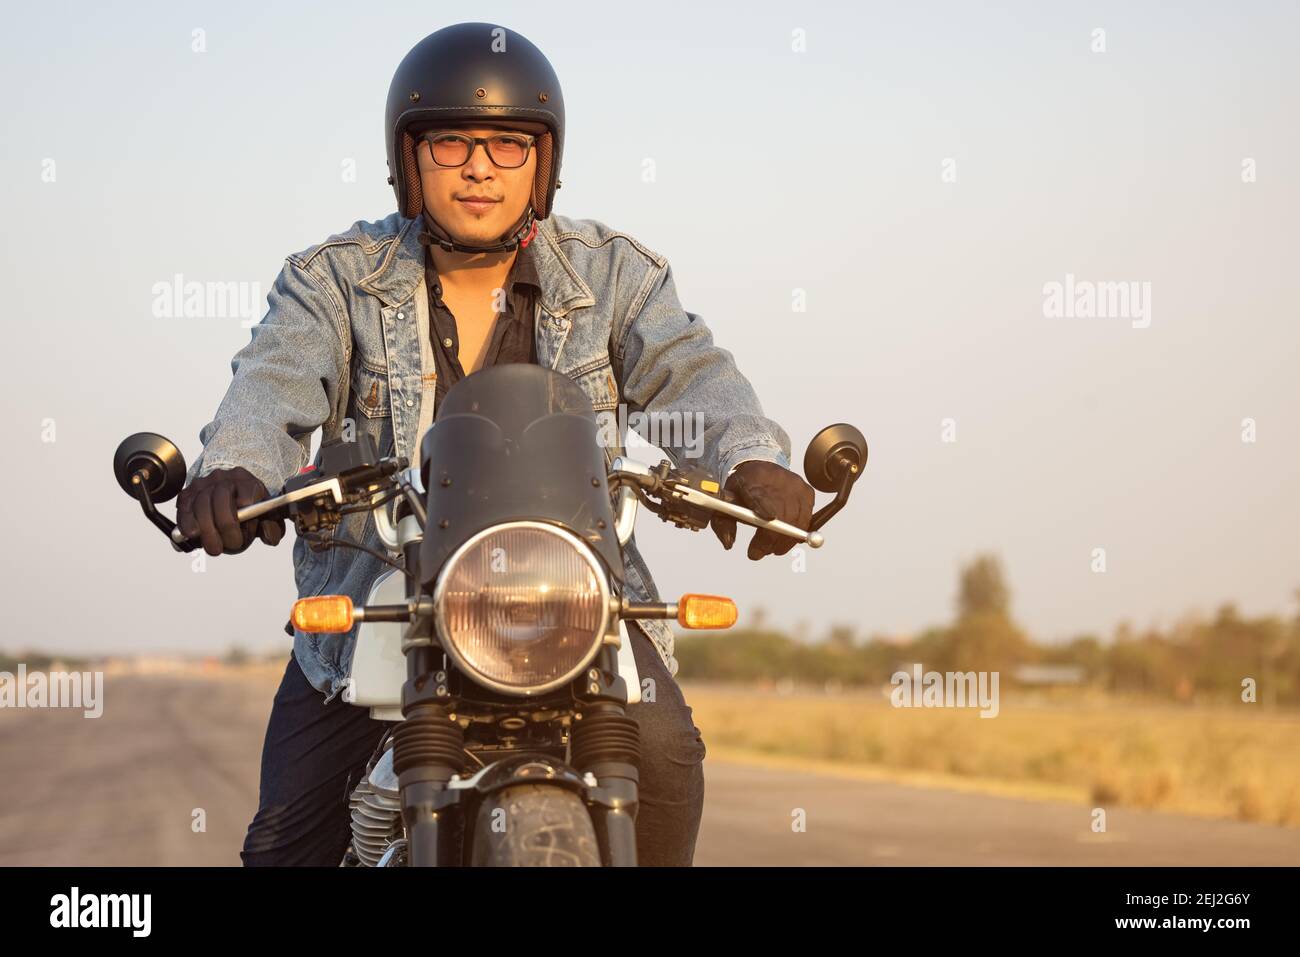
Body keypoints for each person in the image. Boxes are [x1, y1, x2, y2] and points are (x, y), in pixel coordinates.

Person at [176, 21, 814, 867]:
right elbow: (273, 381)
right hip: (383, 595)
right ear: (409, 159)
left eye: (509, 144)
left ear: (544, 164)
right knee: (285, 839)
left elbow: (689, 371)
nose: (480, 166)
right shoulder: (333, 278)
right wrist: (237, 466)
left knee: (662, 755)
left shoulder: (615, 275)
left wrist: (750, 459)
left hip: (577, 594)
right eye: (451, 142)